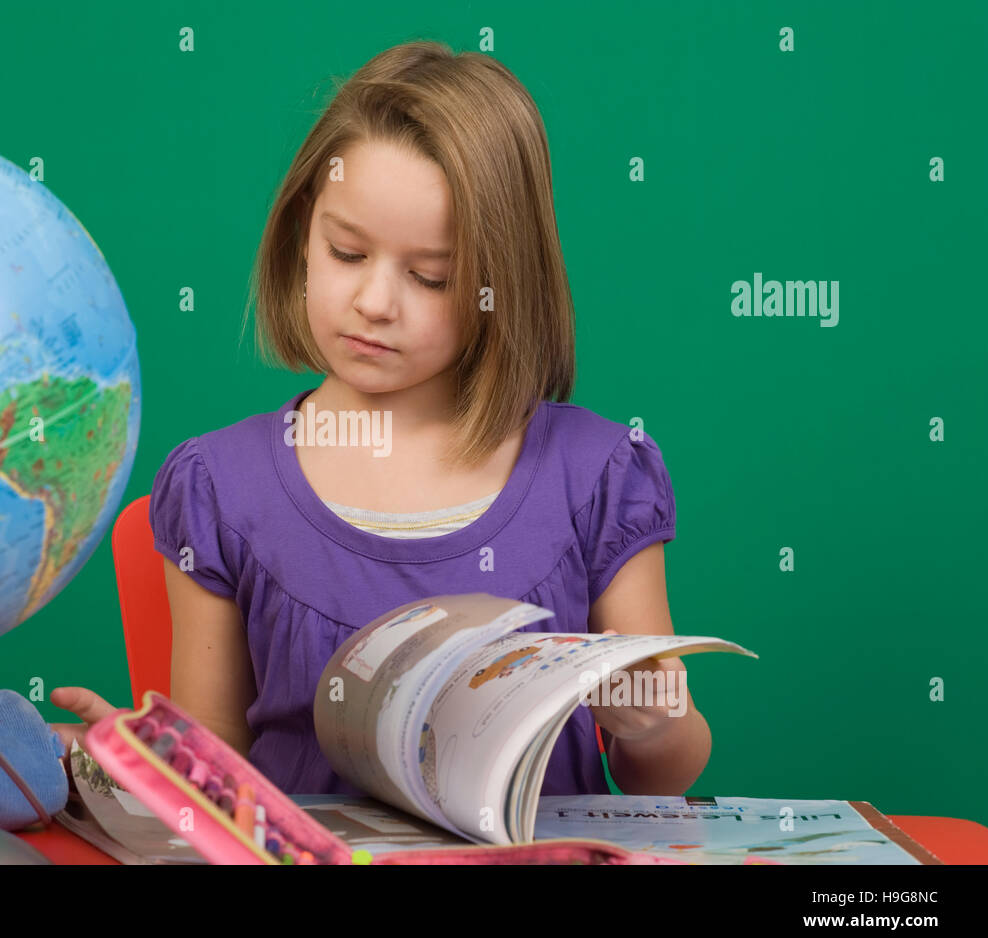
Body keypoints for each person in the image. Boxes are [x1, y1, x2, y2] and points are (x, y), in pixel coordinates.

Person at [53, 40, 710, 797]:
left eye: (430, 276)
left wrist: (654, 722)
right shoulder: (218, 487)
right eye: (345, 251)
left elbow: (663, 775)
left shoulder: (597, 473)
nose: (374, 303)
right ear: (303, 230)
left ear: (503, 283)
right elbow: (213, 781)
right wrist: (139, 768)